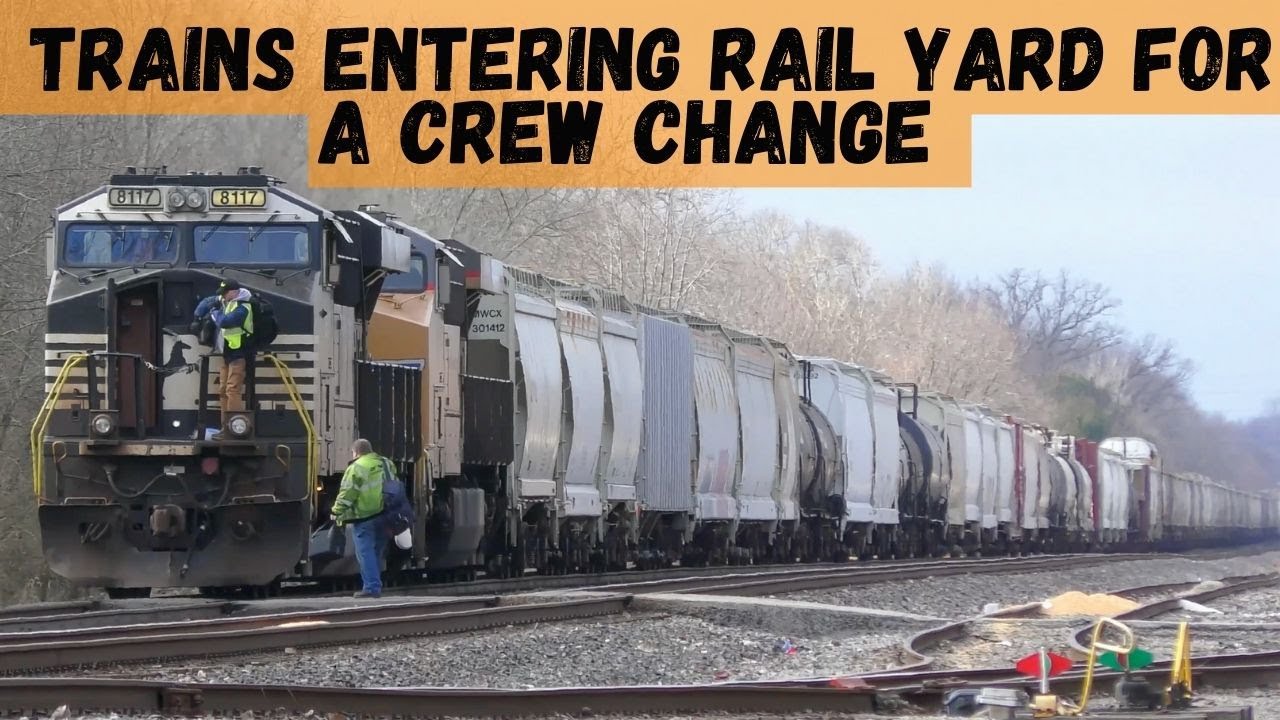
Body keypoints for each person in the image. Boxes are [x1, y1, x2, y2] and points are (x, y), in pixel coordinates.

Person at [193, 279, 255, 440]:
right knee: (223, 391)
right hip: (227, 355)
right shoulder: (227, 301)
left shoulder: (243, 307)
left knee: (232, 390)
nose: (223, 297)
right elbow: (207, 302)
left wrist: (214, 313)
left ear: (234, 292)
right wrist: (197, 317)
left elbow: (226, 322)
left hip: (238, 355)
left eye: (225, 293)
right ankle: (224, 428)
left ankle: (233, 427)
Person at [331, 438, 388, 598]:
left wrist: (336, 511)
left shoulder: (357, 467)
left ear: (356, 452)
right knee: (376, 552)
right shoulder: (386, 464)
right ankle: (375, 584)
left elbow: (348, 493)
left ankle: (371, 588)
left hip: (365, 516)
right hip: (386, 514)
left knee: (365, 552)